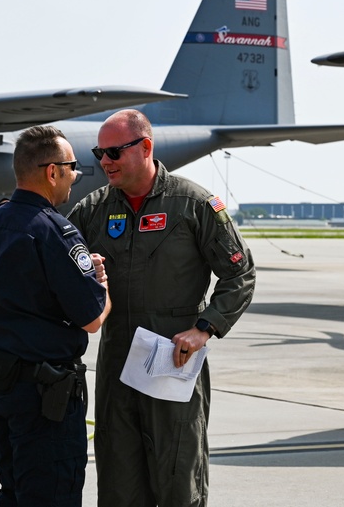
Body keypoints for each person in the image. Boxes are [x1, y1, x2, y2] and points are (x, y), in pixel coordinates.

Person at [68, 109, 256, 507]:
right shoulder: (93, 209)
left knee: (178, 478)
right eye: (99, 152)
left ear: (146, 147)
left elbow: (240, 274)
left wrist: (204, 329)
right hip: (118, 363)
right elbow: (56, 264)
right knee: (119, 482)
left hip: (174, 360)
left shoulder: (195, 204)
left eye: (114, 152)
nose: (105, 162)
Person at [0, 125, 111, 507]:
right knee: (53, 494)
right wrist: (100, 283)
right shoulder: (57, 232)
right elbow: (93, 318)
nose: (76, 175)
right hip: (43, 396)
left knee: (12, 491)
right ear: (52, 172)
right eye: (72, 167)